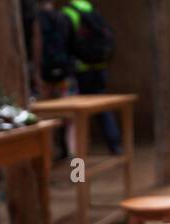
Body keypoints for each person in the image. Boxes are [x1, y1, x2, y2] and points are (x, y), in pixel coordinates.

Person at [62, 0, 119, 154]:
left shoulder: (68, 13)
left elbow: (66, 43)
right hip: (99, 67)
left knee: (76, 116)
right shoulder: (91, 9)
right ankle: (114, 145)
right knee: (101, 107)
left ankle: (77, 160)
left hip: (80, 69)